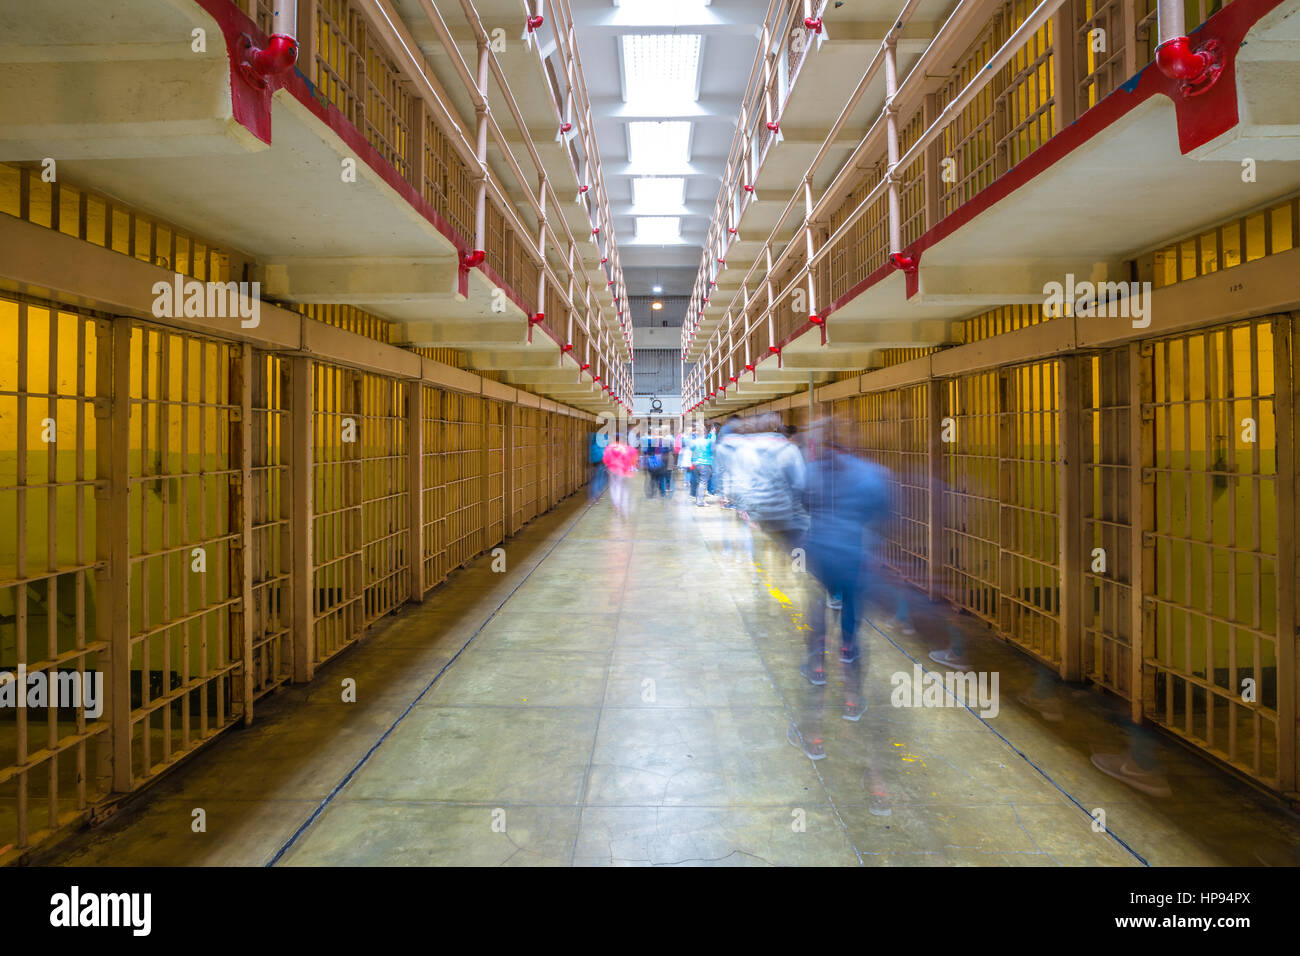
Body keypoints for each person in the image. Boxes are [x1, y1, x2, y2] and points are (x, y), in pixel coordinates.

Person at [602, 437, 638, 517]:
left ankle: (616, 505)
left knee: (613, 486)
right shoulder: (626, 448)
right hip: (621, 470)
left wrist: (608, 465)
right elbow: (631, 459)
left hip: (611, 469)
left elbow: (605, 459)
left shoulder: (609, 448)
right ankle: (623, 505)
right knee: (623, 487)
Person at [690, 426, 715, 506]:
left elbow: (692, 450)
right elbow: (713, 451)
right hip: (705, 464)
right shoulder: (709, 442)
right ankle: (700, 501)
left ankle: (698, 499)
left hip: (695, 464)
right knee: (703, 482)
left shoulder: (694, 442)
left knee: (698, 483)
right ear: (705, 432)